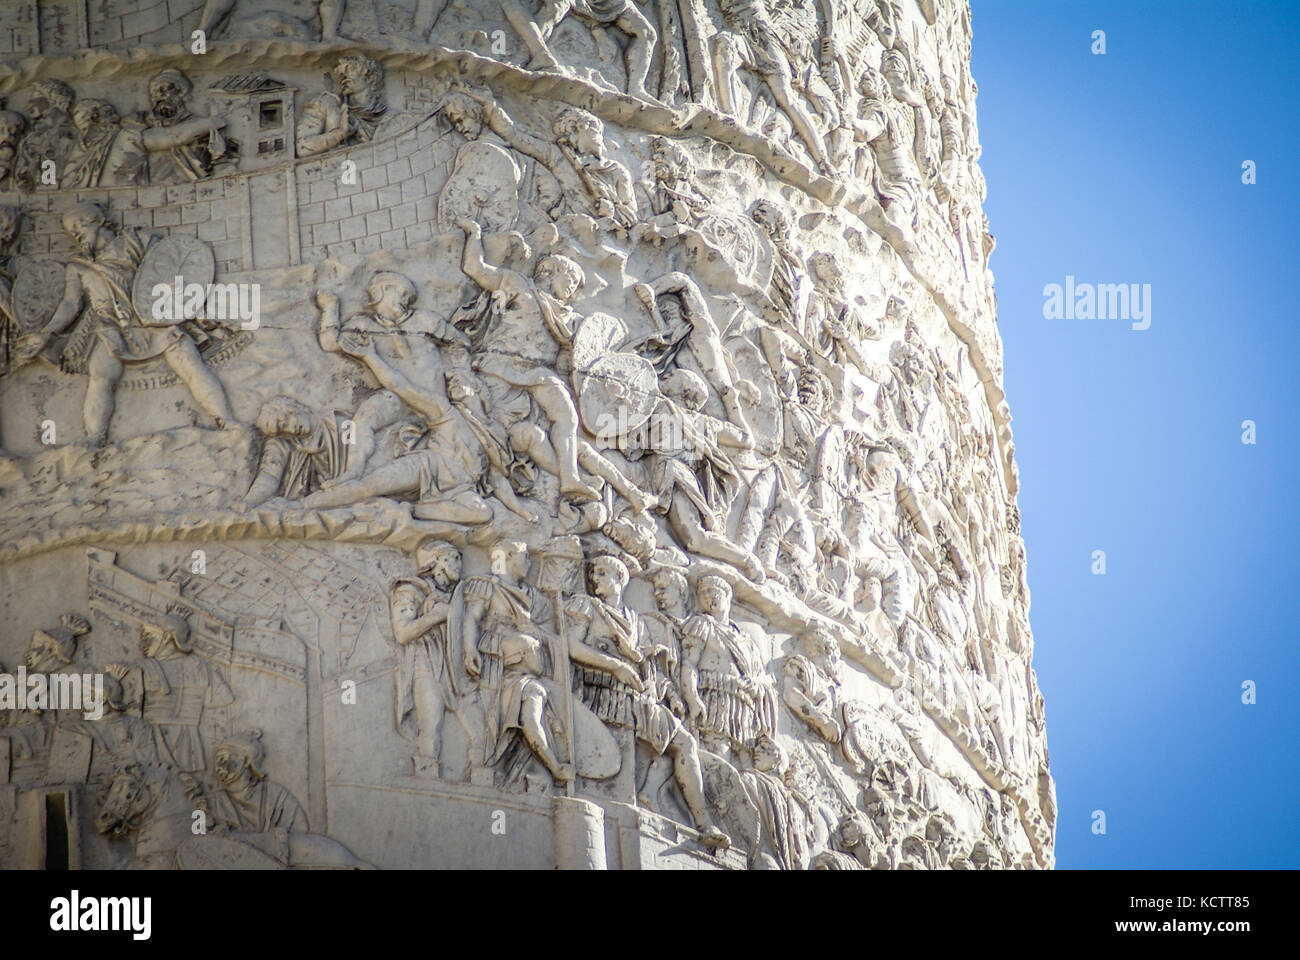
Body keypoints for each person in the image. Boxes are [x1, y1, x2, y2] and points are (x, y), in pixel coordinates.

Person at [13, 203, 234, 446]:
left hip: (152, 319)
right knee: (100, 378)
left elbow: (171, 268)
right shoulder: (79, 267)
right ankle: (95, 439)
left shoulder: (136, 241)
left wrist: (193, 307)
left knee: (191, 366)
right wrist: (46, 334)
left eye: (78, 225)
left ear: (97, 220)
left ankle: (227, 422)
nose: (75, 234)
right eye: (71, 231)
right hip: (111, 329)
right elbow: (70, 304)